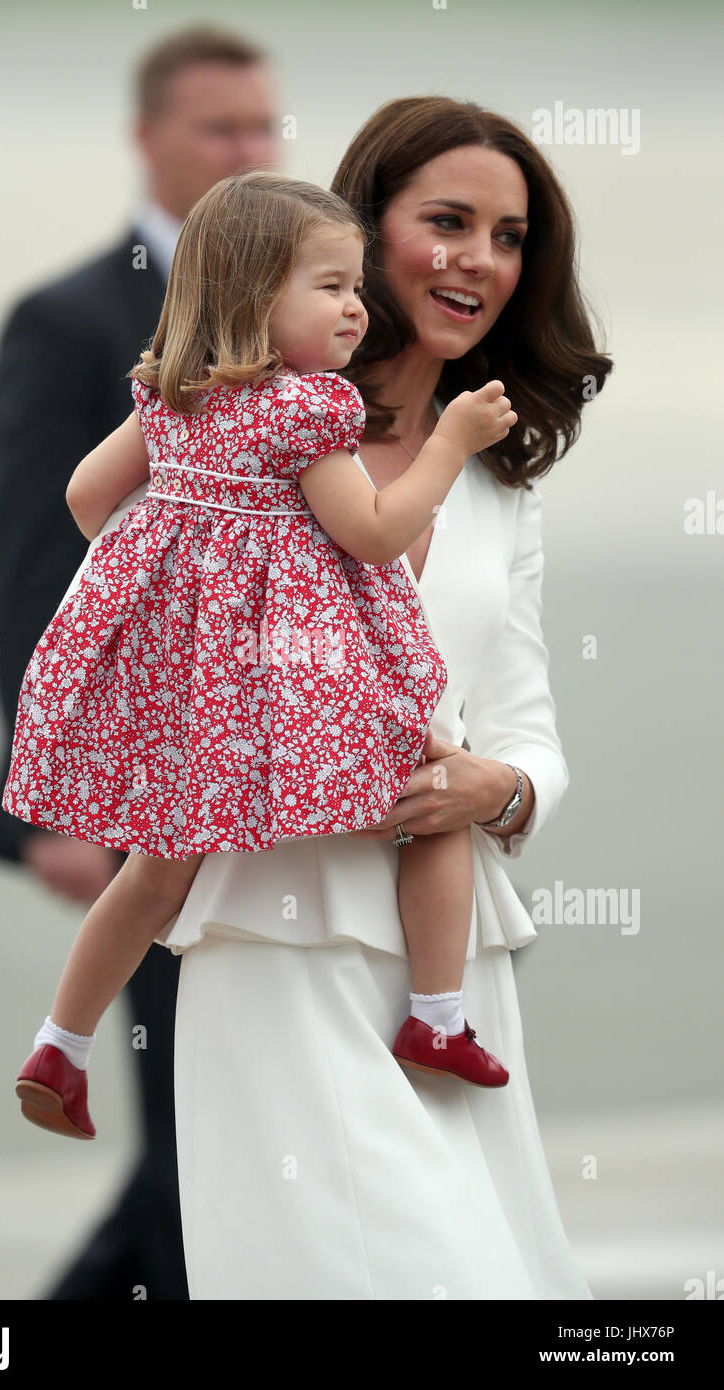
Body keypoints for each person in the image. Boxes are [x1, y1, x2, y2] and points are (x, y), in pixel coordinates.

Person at [129, 95, 611, 1298]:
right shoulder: (227, 439)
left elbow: (529, 735)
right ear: (357, 227)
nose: (480, 262)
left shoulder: (499, 489)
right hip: (274, 940)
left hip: (451, 971)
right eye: (446, 220)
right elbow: (118, 611)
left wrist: (492, 790)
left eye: (509, 239)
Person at [6, 171, 519, 1146]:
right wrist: (448, 444)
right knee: (433, 804)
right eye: (330, 287)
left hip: (194, 684)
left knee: (155, 874)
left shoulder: (168, 395)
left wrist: (174, 555)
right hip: (296, 677)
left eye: (357, 287)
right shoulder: (305, 411)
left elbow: (83, 501)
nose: (356, 310)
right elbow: (372, 533)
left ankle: (59, 1044)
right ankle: (438, 1017)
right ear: (251, 295)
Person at [0, 24, 281, 1299]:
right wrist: (52, 796)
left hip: (285, 774)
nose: (246, 153)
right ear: (146, 137)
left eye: (263, 129)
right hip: (145, 783)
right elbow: (32, 568)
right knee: (185, 1114)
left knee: (255, 1103)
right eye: (220, 129)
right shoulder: (64, 318)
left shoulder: (319, 311)